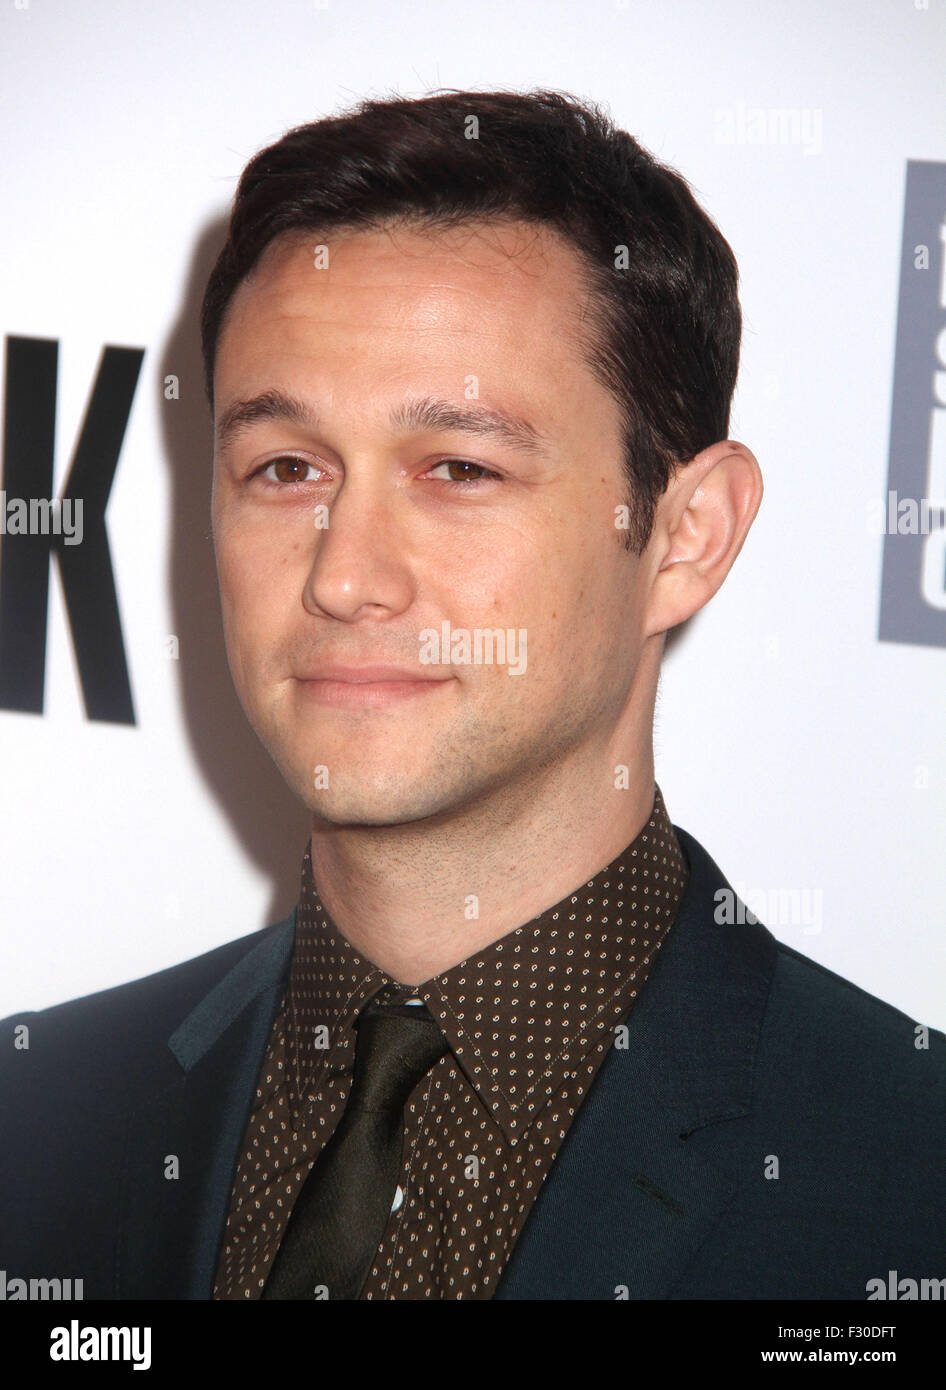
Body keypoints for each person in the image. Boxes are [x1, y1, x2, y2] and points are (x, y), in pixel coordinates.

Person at [2, 89, 943, 1302]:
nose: (344, 576)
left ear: (684, 535)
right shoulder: (35, 1122)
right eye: (286, 468)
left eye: (459, 468)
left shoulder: (906, 1189)